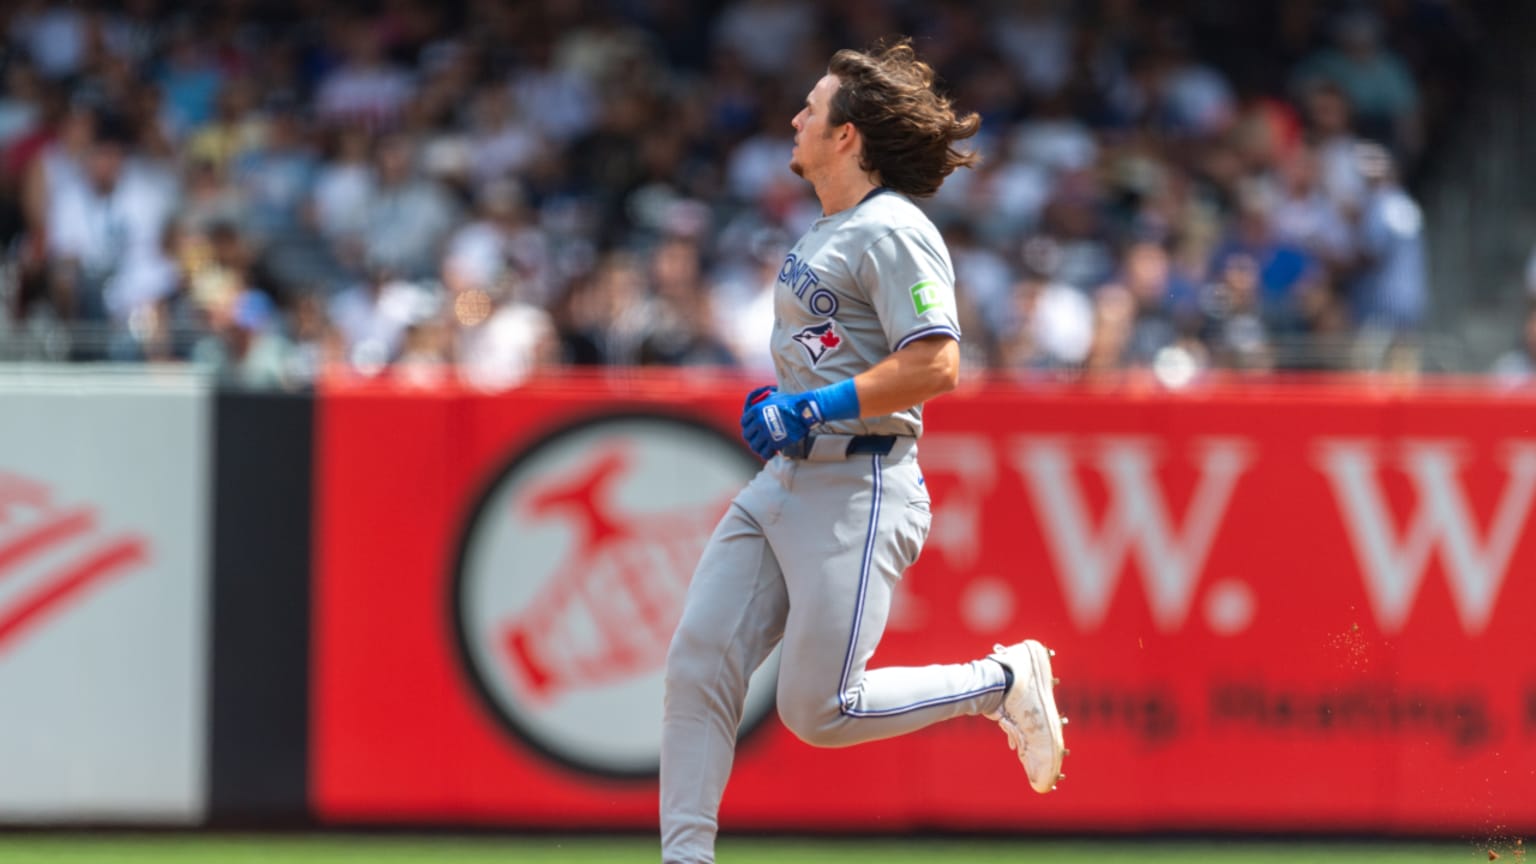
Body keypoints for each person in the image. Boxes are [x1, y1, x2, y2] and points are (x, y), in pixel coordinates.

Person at [660, 40, 1068, 863]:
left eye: (811, 108)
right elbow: (833, 349)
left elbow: (938, 363)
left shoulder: (893, 230)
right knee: (697, 663)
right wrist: (785, 399)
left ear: (845, 136)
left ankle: (1000, 683)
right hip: (787, 478)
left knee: (821, 711)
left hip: (861, 481)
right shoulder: (830, 226)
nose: (795, 119)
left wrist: (813, 405)